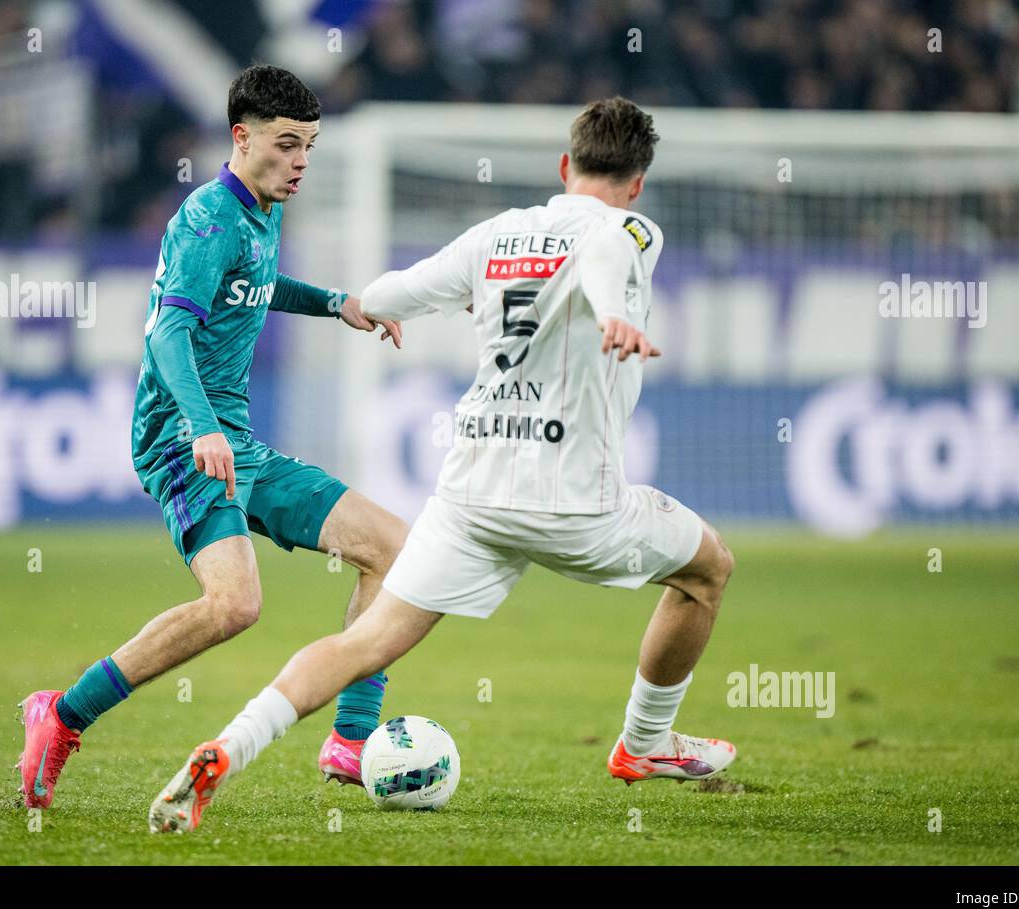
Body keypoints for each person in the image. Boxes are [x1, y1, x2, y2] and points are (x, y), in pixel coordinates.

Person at [149, 97, 736, 834]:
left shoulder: (498, 234)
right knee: (707, 568)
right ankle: (643, 744)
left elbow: (393, 294)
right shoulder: (629, 229)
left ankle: (229, 748)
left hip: (469, 497)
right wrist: (613, 309)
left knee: (363, 645)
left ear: (564, 166)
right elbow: (607, 252)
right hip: (572, 501)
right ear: (638, 183)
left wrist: (375, 302)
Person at [16, 65, 409, 812]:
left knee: (395, 551)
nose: (300, 162)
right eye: (288, 145)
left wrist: (339, 304)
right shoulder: (209, 218)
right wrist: (201, 427)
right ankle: (61, 715)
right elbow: (169, 330)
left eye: (310, 148)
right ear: (241, 137)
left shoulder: (262, 210)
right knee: (234, 606)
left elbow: (256, 286)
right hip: (180, 437)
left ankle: (352, 743)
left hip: (238, 444)